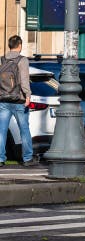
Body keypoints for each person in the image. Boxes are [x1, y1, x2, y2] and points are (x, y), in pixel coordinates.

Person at [0, 35, 34, 167]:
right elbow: (24, 80)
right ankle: (27, 158)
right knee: (24, 130)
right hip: (19, 100)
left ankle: (0, 158)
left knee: (2, 130)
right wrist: (28, 95)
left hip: (3, 100)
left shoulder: (2, 59)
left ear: (9, 46)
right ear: (19, 46)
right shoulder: (22, 60)